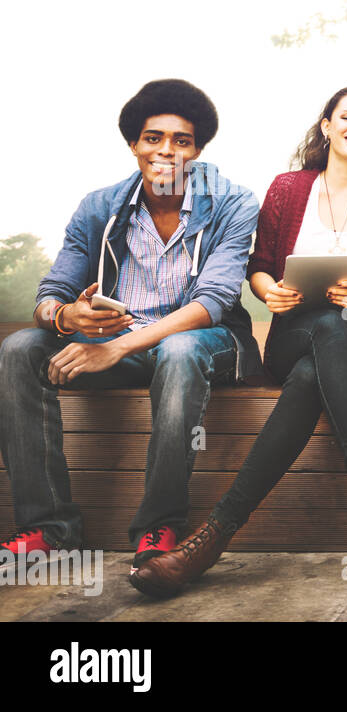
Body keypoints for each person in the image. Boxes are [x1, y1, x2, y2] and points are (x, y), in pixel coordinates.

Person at [129, 86, 347, 597]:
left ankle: (210, 539)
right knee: (322, 332)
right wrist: (272, 292)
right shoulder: (289, 189)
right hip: (292, 333)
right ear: (327, 126)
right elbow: (258, 266)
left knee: (324, 353)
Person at [0, 80, 260, 576]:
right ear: (134, 145)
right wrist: (62, 316)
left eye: (181, 141)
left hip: (204, 343)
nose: (166, 151)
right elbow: (51, 290)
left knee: (181, 350)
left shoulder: (232, 201)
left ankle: (157, 526)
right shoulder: (100, 206)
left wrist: (115, 348)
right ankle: (47, 526)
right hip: (116, 343)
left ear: (199, 149)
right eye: (153, 138)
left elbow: (214, 302)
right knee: (19, 348)